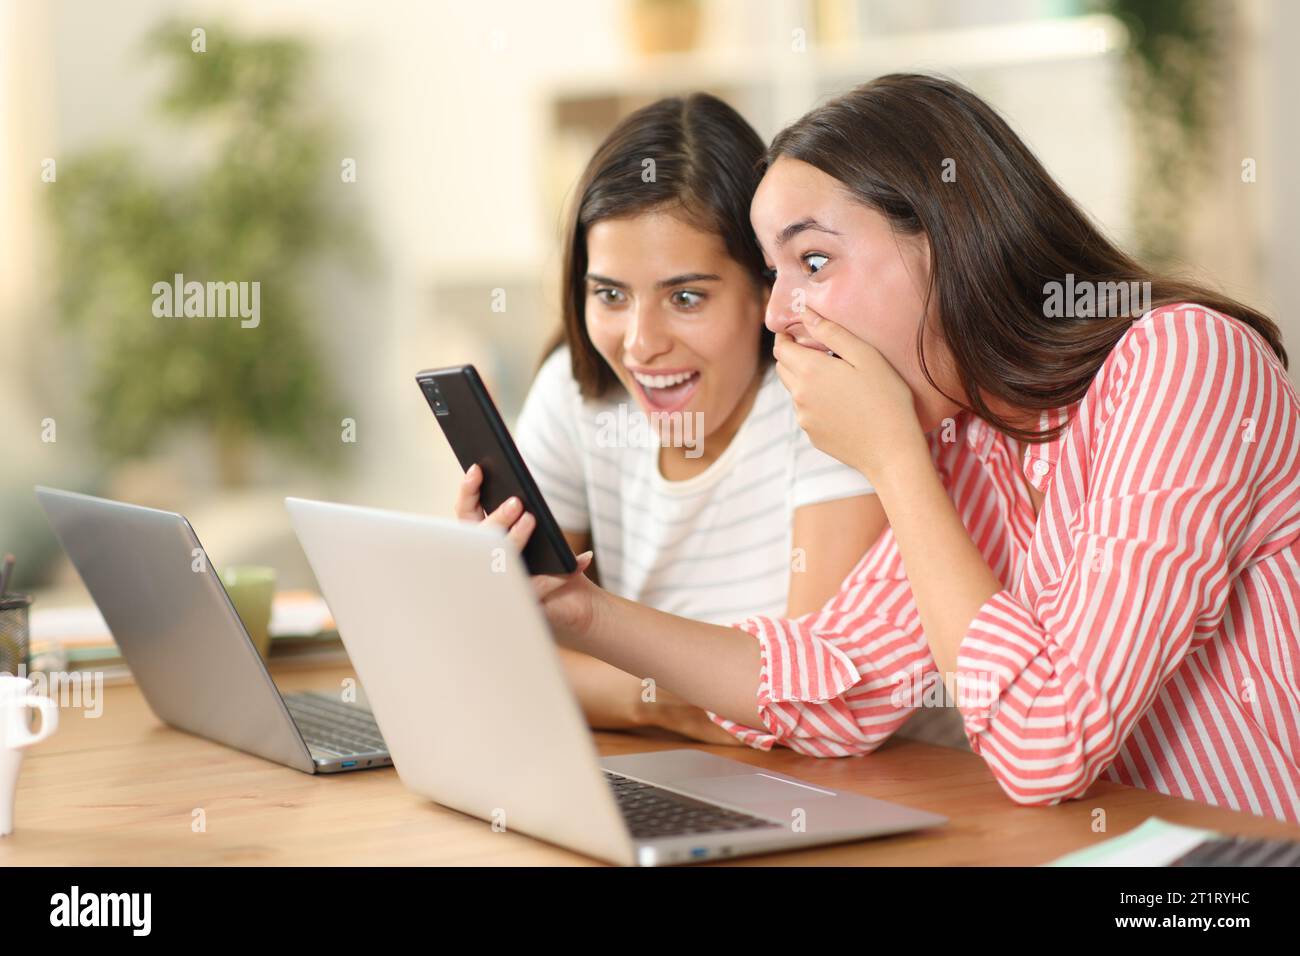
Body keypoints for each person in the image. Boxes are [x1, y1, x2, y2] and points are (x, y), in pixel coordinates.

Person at [487, 74, 1300, 824]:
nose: (780, 318)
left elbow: (1049, 741)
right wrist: (581, 611)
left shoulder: (1185, 363)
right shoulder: (968, 441)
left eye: (813, 261)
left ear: (945, 238)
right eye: (775, 275)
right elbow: (835, 684)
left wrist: (895, 464)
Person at [456, 93, 884, 744]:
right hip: (680, 761)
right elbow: (496, 656)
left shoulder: (826, 402)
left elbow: (808, 705)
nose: (640, 343)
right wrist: (663, 704)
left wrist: (622, 683)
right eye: (610, 295)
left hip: (868, 786)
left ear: (768, 289)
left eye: (685, 297)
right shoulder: (577, 392)